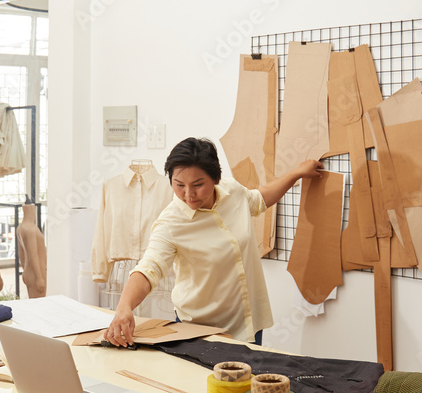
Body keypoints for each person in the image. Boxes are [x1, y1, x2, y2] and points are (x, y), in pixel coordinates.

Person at [104, 137, 323, 346]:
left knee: (246, 384)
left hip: (249, 322)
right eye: (179, 184)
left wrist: (297, 173)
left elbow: (259, 199)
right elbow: (149, 267)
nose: (188, 194)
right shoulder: (170, 223)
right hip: (200, 330)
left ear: (216, 179)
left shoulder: (233, 192)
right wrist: (124, 307)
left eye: (198, 184)